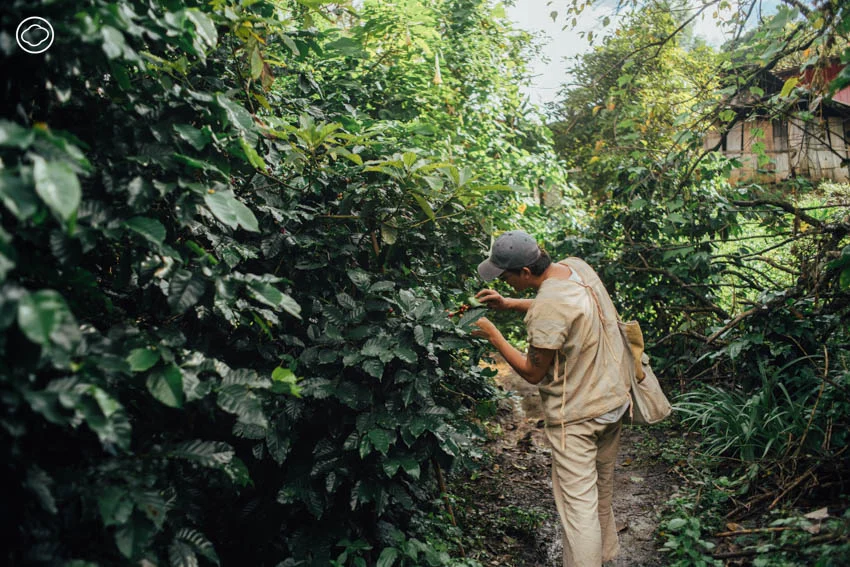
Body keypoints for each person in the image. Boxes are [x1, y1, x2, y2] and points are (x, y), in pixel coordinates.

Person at [471, 230, 632, 567]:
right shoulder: (575, 268)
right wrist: (508, 303)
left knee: (578, 510)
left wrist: (493, 335)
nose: (505, 281)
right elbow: (566, 308)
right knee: (600, 491)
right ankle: (604, 557)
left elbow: (533, 373)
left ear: (526, 273)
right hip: (613, 401)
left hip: (579, 417)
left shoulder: (548, 306)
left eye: (506, 277)